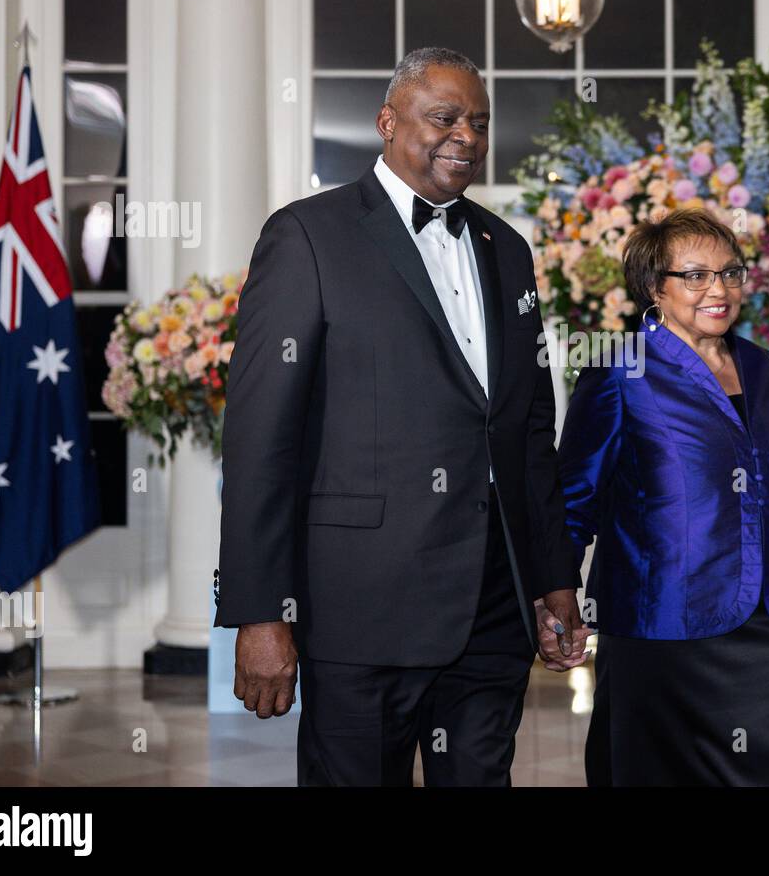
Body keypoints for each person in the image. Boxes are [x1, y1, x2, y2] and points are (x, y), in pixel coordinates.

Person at [214, 47, 588, 786]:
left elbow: (527, 436)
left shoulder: (507, 251)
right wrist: (261, 613)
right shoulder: (307, 237)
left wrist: (554, 581)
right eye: (445, 117)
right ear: (388, 123)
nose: (467, 137)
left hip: (493, 609)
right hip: (361, 609)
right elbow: (261, 440)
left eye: (478, 123)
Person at [559, 207, 769, 786]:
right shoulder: (621, 370)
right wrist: (559, 597)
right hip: (667, 625)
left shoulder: (764, 368)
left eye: (730, 273)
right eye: (694, 276)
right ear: (654, 288)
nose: (717, 290)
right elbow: (572, 500)